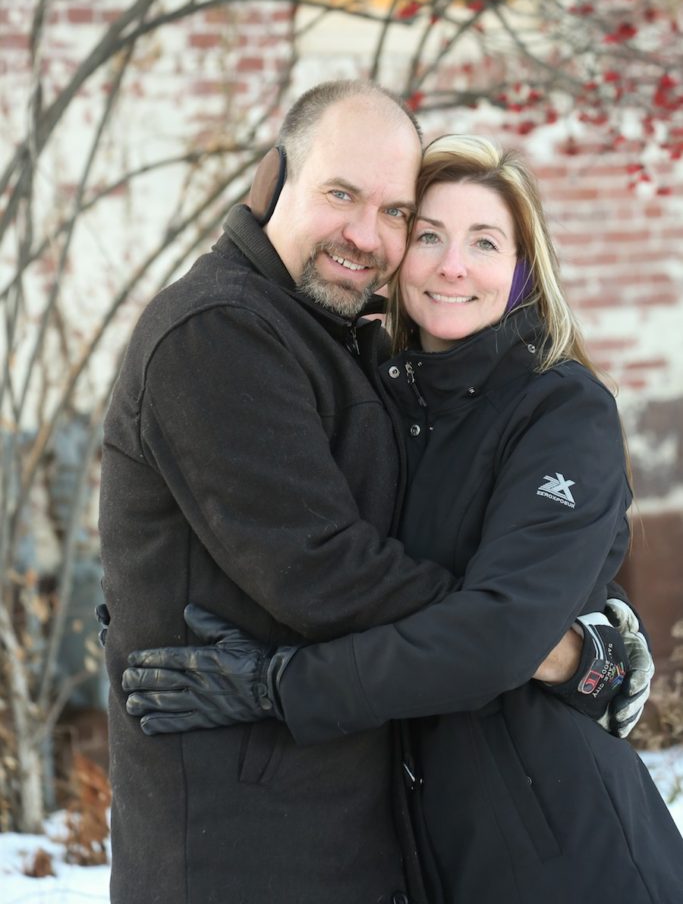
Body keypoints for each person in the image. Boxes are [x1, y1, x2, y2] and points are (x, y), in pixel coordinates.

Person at [102, 81, 648, 904]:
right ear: (272, 178)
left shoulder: (377, 359)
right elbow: (326, 570)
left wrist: (529, 636)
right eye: (342, 194)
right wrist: (549, 649)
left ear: (525, 268)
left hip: (432, 832)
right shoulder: (218, 330)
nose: (368, 234)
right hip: (240, 846)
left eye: (394, 211)